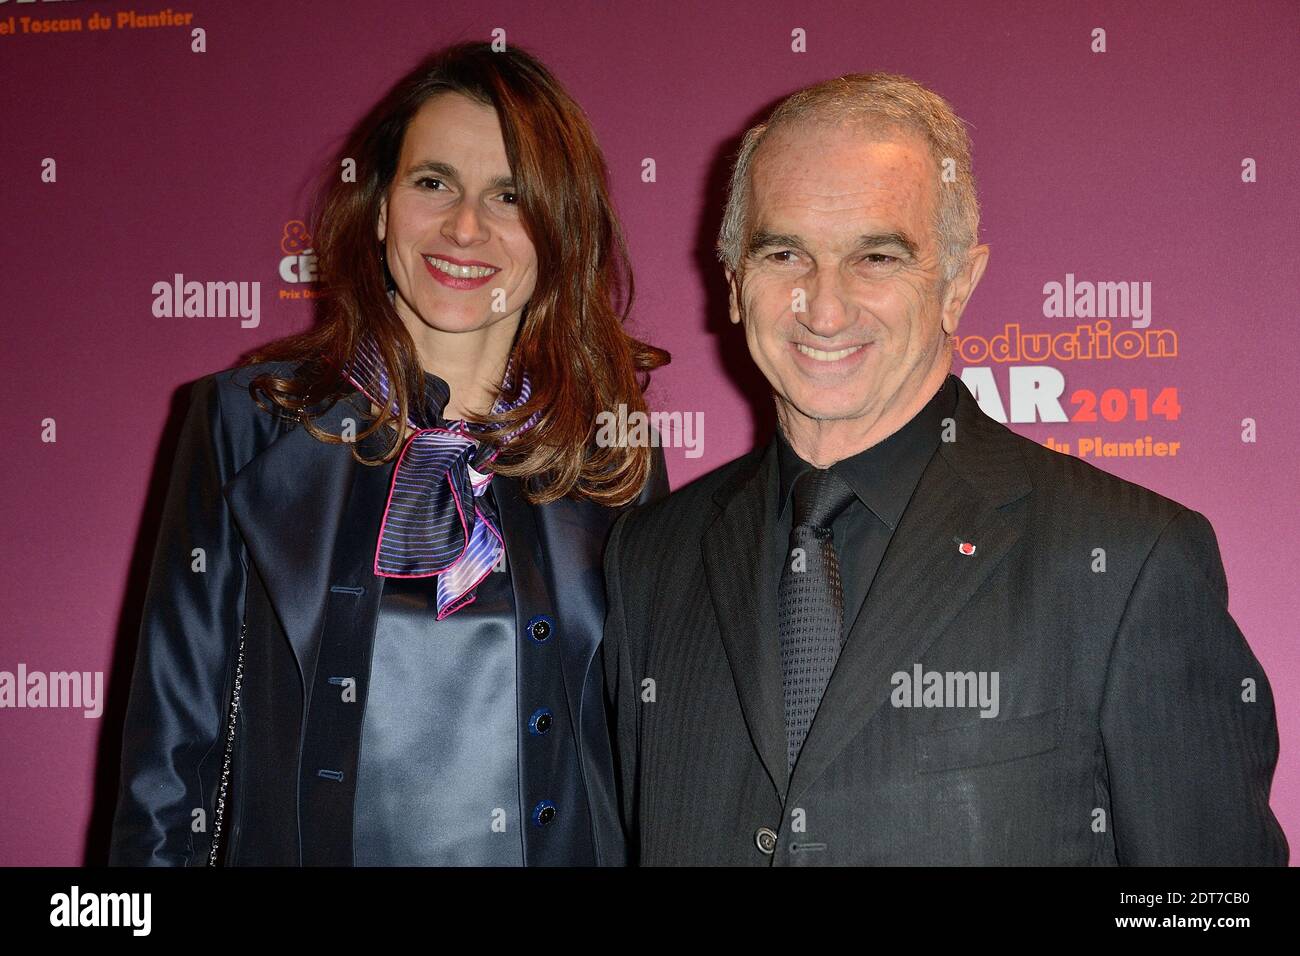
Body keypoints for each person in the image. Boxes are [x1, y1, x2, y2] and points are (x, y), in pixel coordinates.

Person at [601, 72, 1287, 865]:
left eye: (878, 256)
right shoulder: (650, 559)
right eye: (784, 252)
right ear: (733, 283)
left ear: (958, 284)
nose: (824, 308)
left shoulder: (1127, 562)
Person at [109, 41, 668, 866]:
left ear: (558, 229)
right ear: (378, 209)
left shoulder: (612, 456)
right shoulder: (251, 425)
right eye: (432, 182)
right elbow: (169, 754)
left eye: (509, 195)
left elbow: (648, 762)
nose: (464, 227)